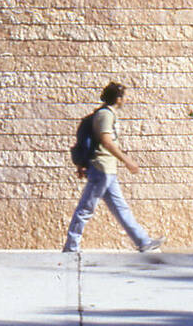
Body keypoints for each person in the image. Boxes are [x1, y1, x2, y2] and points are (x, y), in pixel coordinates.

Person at [63, 81, 164, 253]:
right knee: (86, 208)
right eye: (124, 97)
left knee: (120, 207)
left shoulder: (108, 114)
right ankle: (71, 247)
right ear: (118, 98)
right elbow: (106, 141)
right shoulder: (105, 115)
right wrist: (127, 160)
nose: (125, 100)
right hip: (101, 168)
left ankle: (143, 241)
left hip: (107, 169)